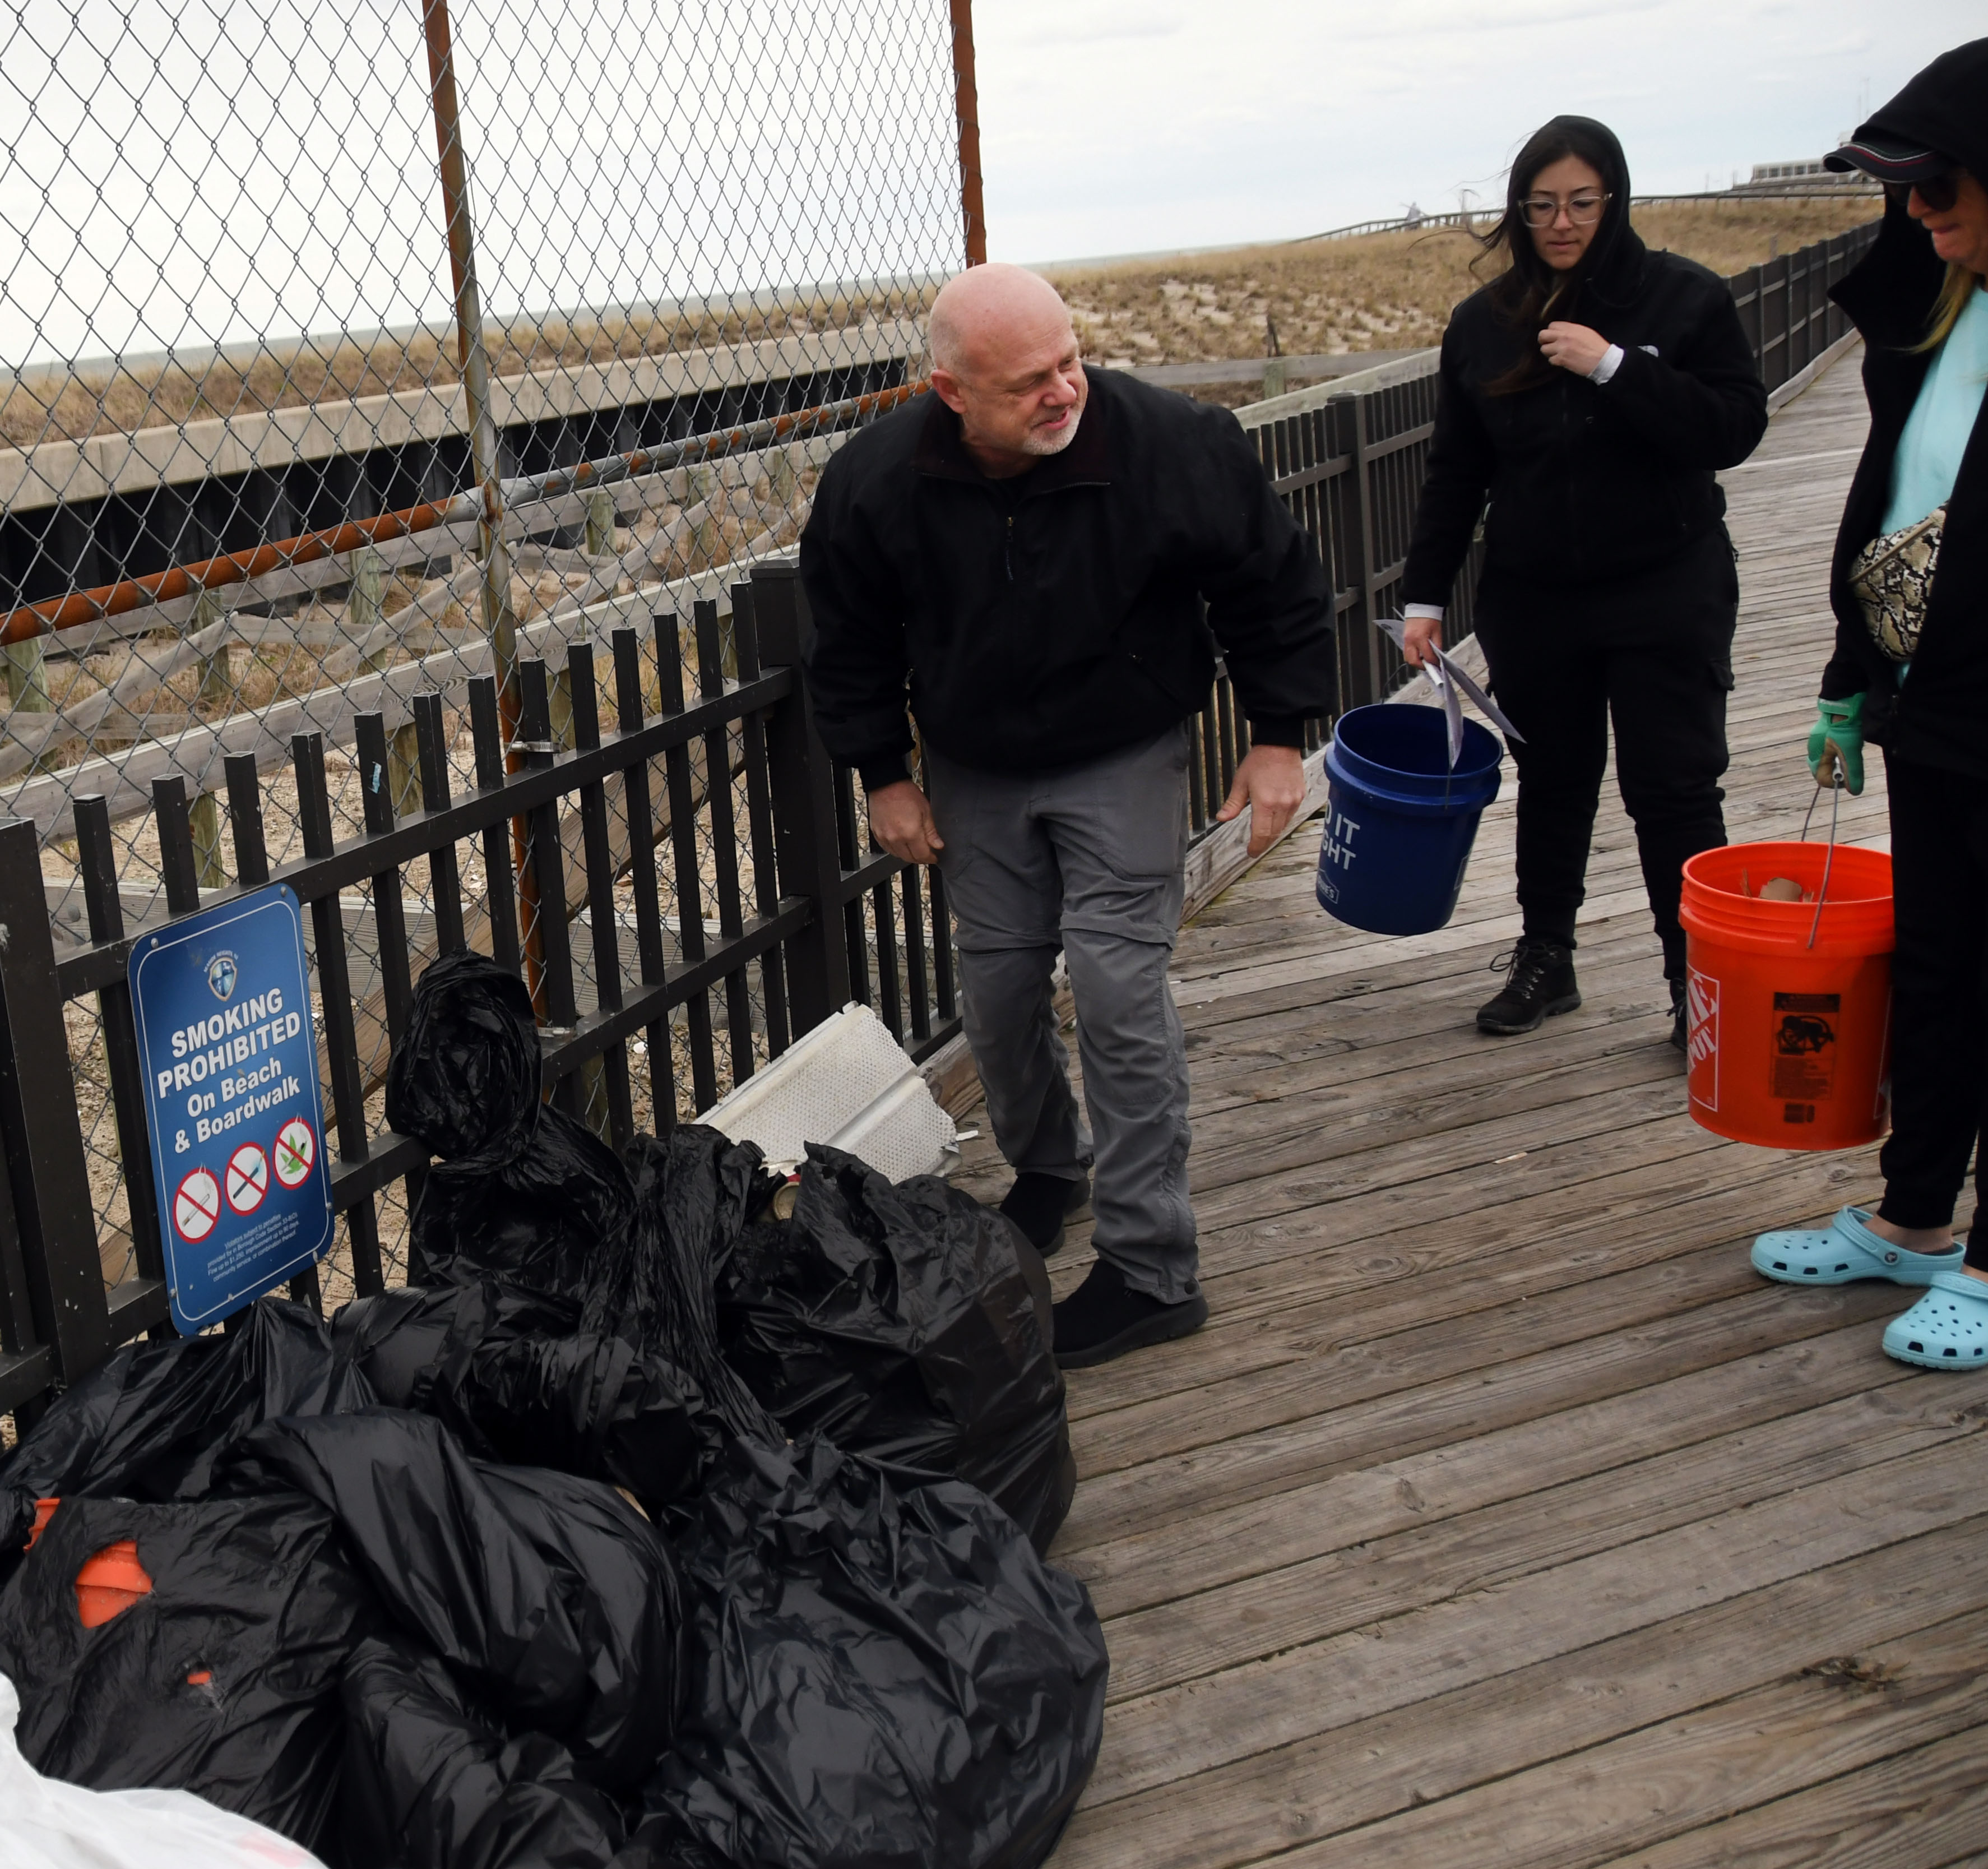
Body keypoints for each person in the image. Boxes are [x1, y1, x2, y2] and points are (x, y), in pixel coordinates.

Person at [797, 263, 1334, 1369]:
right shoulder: (878, 482)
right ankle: (1049, 1165)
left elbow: (1269, 583)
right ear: (950, 392)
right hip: (975, 763)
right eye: (1029, 381)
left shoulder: (1175, 445)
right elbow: (846, 637)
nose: (1062, 392)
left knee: (1114, 984)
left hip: (1121, 749)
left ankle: (1150, 1267)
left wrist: (1279, 734)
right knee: (993, 992)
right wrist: (880, 773)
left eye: (1070, 362)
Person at [1401, 117, 1768, 1047]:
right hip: (1536, 599)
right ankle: (1546, 959)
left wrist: (1615, 368)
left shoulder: (1685, 300)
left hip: (1665, 585)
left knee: (1674, 790)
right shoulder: (1483, 326)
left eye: (1579, 203)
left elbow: (1732, 429)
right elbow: (1457, 470)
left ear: (1615, 200)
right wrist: (1425, 595)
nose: (1560, 223)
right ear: (1518, 211)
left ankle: (1698, 990)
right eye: (1540, 206)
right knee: (1554, 781)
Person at [1751, 40, 1988, 1373]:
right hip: (1931, 701)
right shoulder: (1945, 312)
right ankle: (1914, 1218)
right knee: (1941, 968)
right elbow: (1886, 504)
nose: (1917, 209)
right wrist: (1850, 677)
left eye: (1940, 181)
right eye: (1901, 187)